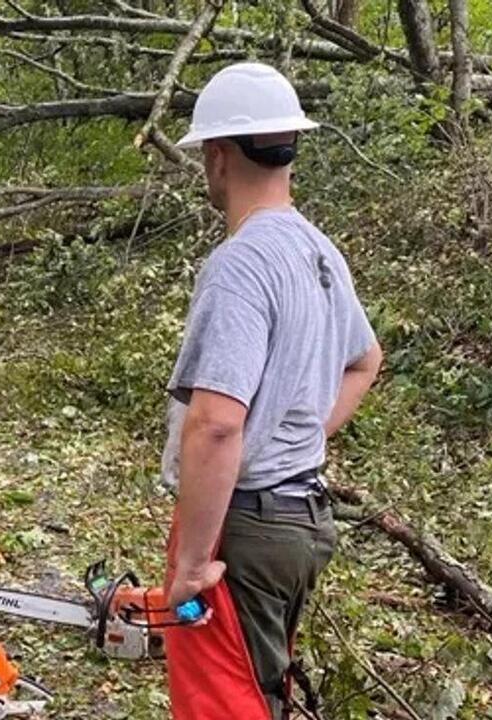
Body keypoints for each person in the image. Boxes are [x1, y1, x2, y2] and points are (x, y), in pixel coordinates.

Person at [160, 63, 383, 720]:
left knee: (225, 704)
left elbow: (217, 425)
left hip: (250, 528)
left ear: (220, 156)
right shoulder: (318, 252)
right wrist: (303, 435)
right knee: (262, 690)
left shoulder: (240, 264)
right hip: (301, 520)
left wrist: (195, 565)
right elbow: (366, 361)